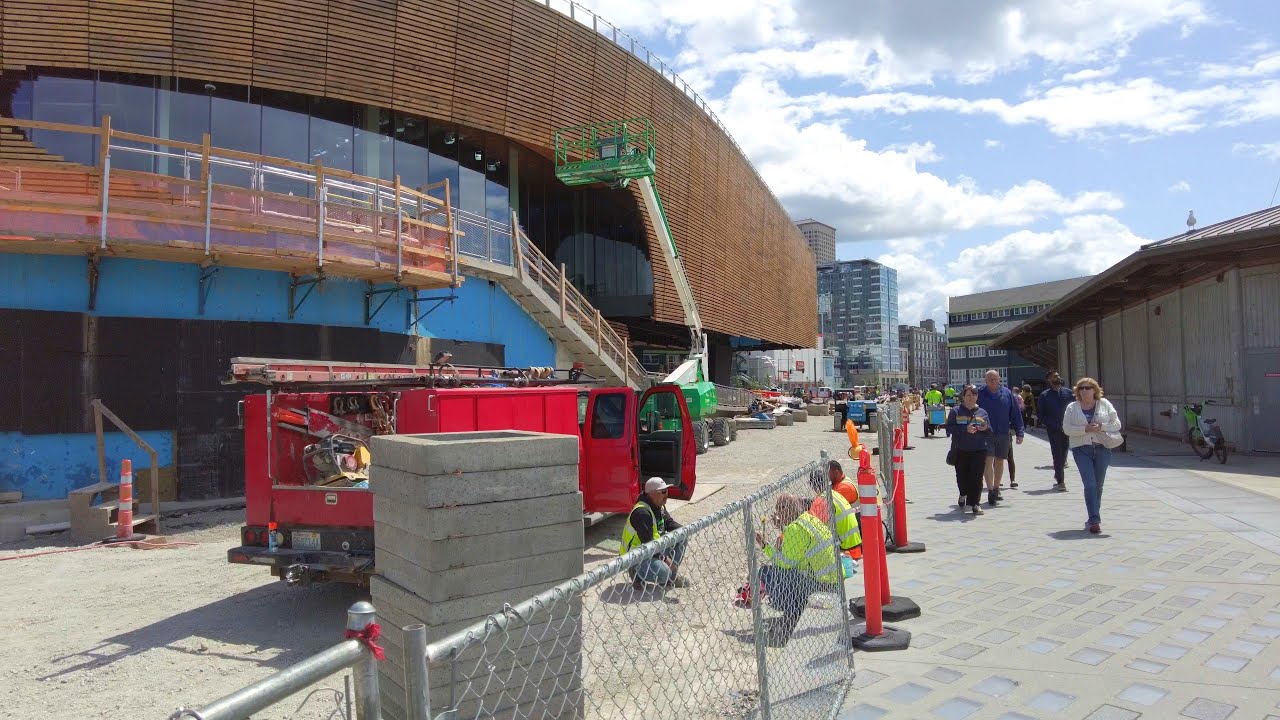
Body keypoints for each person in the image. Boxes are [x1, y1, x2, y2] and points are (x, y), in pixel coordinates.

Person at [754, 493, 844, 645]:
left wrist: (764, 546)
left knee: (766, 573)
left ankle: (789, 611)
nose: (776, 514)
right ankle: (793, 610)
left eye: (778, 510)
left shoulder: (795, 529)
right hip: (833, 579)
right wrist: (783, 527)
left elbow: (784, 563)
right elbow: (798, 546)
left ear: (785, 509)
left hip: (821, 583)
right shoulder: (808, 519)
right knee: (783, 572)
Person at [1063, 378, 1122, 534]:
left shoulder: (1105, 404)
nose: (1084, 391)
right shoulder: (1072, 407)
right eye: (1081, 388)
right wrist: (1085, 429)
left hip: (1102, 448)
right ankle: (1094, 519)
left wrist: (1102, 426)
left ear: (1094, 390)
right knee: (1090, 484)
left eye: (1087, 388)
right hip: (1081, 449)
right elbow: (1067, 429)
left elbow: (1117, 424)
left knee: (1098, 485)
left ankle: (1094, 514)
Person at [620, 477, 688, 589]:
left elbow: (669, 523)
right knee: (665, 572)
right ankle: (636, 573)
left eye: (667, 491)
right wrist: (666, 559)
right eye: (663, 492)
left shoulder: (658, 506)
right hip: (637, 556)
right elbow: (648, 543)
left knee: (682, 537)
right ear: (652, 494)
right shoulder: (642, 512)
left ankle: (671, 579)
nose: (666, 495)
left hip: (653, 549)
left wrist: (685, 530)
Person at [977, 370, 1024, 505]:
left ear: (999, 379)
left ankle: (997, 488)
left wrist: (1020, 432)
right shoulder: (980, 393)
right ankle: (990, 490)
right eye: (990, 379)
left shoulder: (1007, 393)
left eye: (995, 379)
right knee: (988, 460)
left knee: (999, 461)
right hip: (986, 433)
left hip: (1003, 432)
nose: (993, 381)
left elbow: (1015, 413)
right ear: (985, 381)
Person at [946, 385, 991, 515]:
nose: (971, 398)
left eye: (974, 395)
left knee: (976, 477)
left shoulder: (982, 412)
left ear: (977, 396)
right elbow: (949, 428)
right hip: (961, 449)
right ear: (963, 397)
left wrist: (985, 428)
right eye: (968, 395)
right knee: (962, 476)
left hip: (979, 449)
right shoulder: (956, 411)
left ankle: (975, 504)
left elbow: (990, 430)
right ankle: (962, 493)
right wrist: (964, 429)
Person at [807, 460, 862, 561]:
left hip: (847, 551)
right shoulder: (835, 493)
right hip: (854, 544)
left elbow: (812, 528)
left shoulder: (842, 489)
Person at [1038, 370, 1074, 491]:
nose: (1058, 377)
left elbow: (1075, 409)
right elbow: (1041, 414)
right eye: (1055, 376)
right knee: (1057, 453)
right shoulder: (1044, 396)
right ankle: (1060, 481)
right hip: (1053, 430)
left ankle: (1058, 473)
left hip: (1067, 429)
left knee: (1064, 453)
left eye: (1058, 375)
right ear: (1049, 380)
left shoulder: (1069, 393)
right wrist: (1050, 424)